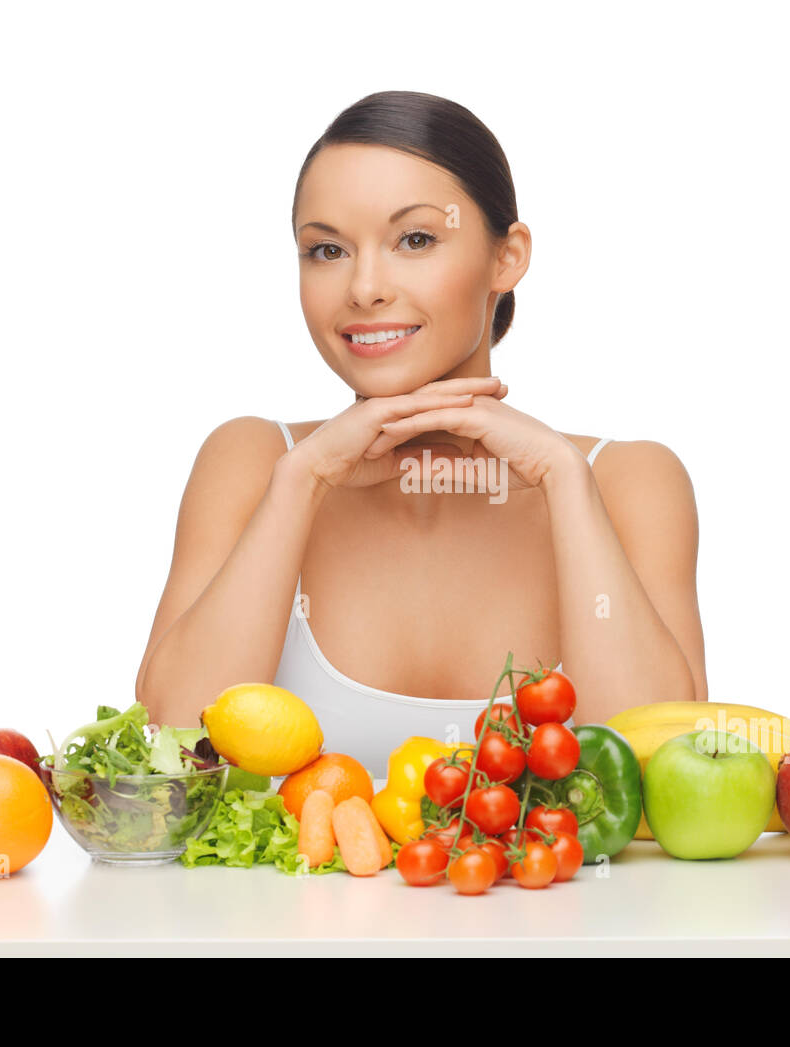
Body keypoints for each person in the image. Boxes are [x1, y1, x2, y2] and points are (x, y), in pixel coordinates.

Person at [135, 90, 706, 775]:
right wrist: (303, 481)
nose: (364, 287)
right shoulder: (257, 463)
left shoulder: (627, 480)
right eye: (326, 249)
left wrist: (564, 481)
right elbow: (170, 746)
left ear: (508, 257)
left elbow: (659, 763)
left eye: (415, 239)